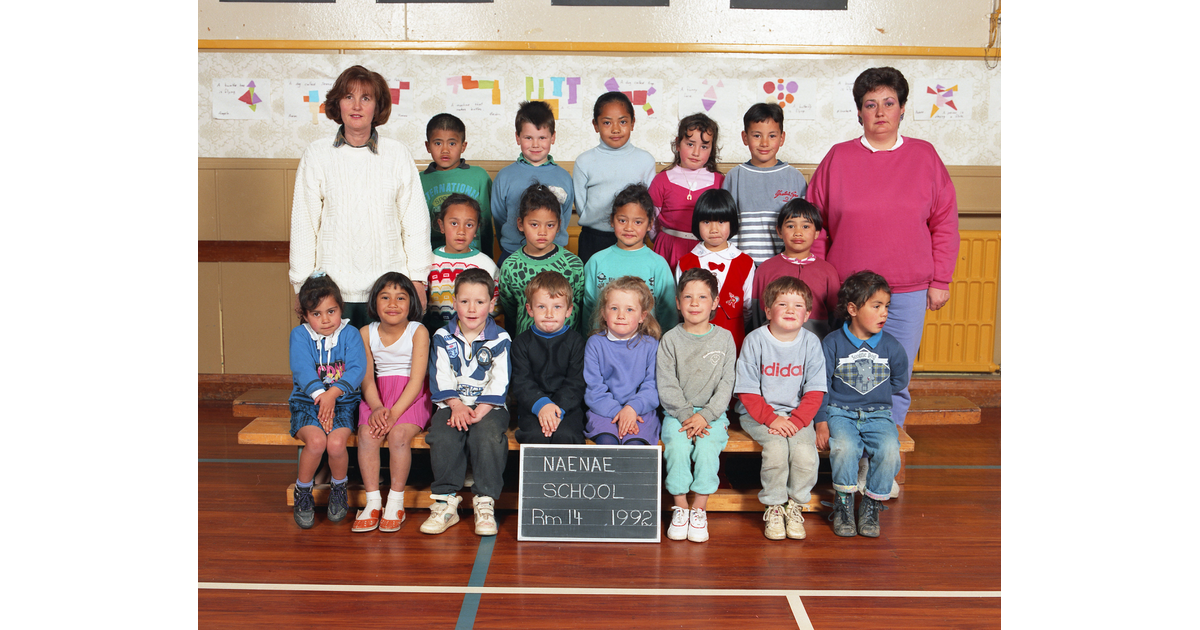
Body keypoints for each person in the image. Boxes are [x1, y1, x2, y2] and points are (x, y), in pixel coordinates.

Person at [808, 66, 959, 427]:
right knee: (844, 375)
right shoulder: (838, 158)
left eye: (888, 103)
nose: (879, 112)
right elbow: (817, 227)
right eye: (870, 104)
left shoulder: (925, 157)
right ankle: (845, 452)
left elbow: (944, 222)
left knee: (895, 377)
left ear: (902, 108)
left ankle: (882, 460)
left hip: (907, 290)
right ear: (859, 111)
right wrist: (821, 280)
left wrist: (941, 280)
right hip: (848, 291)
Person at [290, 65, 432, 328]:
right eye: (348, 97)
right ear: (338, 104)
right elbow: (304, 225)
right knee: (334, 369)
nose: (356, 106)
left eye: (365, 98)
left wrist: (418, 280)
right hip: (330, 293)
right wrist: (301, 284)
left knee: (388, 369)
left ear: (377, 107)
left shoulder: (397, 154)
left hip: (389, 293)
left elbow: (415, 222)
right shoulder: (317, 154)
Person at [814, 271, 908, 538]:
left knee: (890, 449)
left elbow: (900, 378)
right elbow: (820, 385)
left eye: (886, 307)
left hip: (878, 414)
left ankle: (871, 505)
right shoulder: (832, 343)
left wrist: (875, 396)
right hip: (839, 412)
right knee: (844, 447)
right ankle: (844, 504)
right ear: (853, 309)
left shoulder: (890, 345)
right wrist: (821, 420)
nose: (884, 313)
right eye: (876, 306)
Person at [733, 276, 826, 541]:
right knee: (775, 450)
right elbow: (747, 390)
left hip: (798, 416)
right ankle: (774, 506)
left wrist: (797, 422)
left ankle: (795, 505)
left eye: (797, 306)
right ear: (767, 310)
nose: (789, 310)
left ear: (807, 314)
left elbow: (815, 390)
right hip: (759, 414)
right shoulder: (755, 340)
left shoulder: (811, 343)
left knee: (806, 454)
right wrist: (771, 419)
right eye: (782, 303)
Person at [422, 269, 512, 536]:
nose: (472, 309)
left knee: (487, 436)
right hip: (453, 405)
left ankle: (485, 502)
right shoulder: (442, 336)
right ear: (454, 301)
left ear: (492, 304)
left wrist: (480, 410)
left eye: (480, 302)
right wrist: (457, 405)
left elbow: (501, 380)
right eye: (464, 301)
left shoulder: (500, 338)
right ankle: (445, 502)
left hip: (489, 407)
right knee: (443, 435)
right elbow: (440, 376)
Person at [656, 268, 736, 543]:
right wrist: (688, 415)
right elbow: (667, 385)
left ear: (714, 302)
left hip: (713, 416)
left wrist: (707, 415)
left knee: (706, 449)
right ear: (677, 302)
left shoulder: (725, 338)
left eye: (702, 297)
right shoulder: (670, 340)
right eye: (687, 297)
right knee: (676, 449)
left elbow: (727, 383)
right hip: (677, 414)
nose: (694, 303)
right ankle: (680, 506)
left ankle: (699, 509)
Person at [352, 272, 432, 533]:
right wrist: (376, 407)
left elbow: (418, 380)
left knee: (398, 435)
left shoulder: (418, 331)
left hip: (410, 397)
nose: (393, 304)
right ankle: (373, 501)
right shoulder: (365, 332)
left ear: (412, 303)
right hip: (378, 397)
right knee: (366, 435)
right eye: (385, 297)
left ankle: (396, 502)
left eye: (401, 297)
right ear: (375, 302)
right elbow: (366, 379)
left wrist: (394, 413)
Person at [287, 273, 366, 529]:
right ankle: (303, 492)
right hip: (307, 402)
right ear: (305, 315)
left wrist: (333, 394)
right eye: (316, 314)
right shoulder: (300, 335)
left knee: (335, 444)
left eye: (331, 311)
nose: (325, 319)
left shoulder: (351, 333)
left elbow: (357, 369)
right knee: (318, 441)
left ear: (340, 308)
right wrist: (322, 396)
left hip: (343, 403)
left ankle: (339, 488)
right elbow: (301, 369)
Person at [573, 92, 657, 263]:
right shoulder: (584, 161)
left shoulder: (645, 160)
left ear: (633, 123)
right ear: (595, 125)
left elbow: (649, 204)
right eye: (606, 122)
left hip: (633, 238)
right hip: (594, 238)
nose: (616, 129)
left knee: (633, 286)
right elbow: (582, 207)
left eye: (623, 121)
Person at [581, 184, 678, 333]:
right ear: (612, 221)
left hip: (646, 348)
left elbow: (668, 314)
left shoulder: (658, 264)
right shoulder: (596, 261)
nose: (629, 228)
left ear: (650, 224)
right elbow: (588, 307)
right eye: (622, 220)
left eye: (637, 222)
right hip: (602, 347)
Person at [721, 103, 808, 266]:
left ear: (782, 138)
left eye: (772, 136)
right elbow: (725, 226)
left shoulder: (794, 178)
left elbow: (805, 226)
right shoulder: (734, 176)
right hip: (742, 267)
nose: (764, 143)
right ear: (744, 137)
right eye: (757, 135)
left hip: (784, 266)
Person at [491, 101, 574, 264]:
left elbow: (563, 216)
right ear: (517, 137)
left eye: (542, 137)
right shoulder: (505, 176)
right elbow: (500, 218)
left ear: (553, 137)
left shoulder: (564, 177)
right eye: (528, 138)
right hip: (512, 254)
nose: (535, 144)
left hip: (554, 256)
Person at [583, 276, 662, 446]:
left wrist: (632, 409)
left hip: (641, 411)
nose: (620, 316)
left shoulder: (650, 345)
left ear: (643, 316)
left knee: (635, 446)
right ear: (604, 313)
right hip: (604, 411)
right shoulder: (595, 343)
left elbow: (652, 386)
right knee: (607, 443)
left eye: (629, 310)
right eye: (614, 308)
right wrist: (618, 412)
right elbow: (594, 388)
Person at [499, 184, 586, 337]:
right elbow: (511, 309)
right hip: (527, 349)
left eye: (550, 225)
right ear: (520, 224)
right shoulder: (510, 266)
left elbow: (579, 305)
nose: (542, 232)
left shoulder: (573, 264)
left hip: (567, 348)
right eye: (534, 224)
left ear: (559, 225)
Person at [511, 271, 588, 444]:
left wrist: (557, 410)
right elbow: (521, 382)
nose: (549, 314)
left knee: (566, 435)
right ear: (530, 309)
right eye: (541, 307)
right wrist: (542, 406)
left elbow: (576, 382)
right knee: (536, 436)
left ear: (569, 310)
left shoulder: (576, 342)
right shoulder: (521, 343)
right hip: (533, 406)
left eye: (557, 307)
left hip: (568, 407)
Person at [675, 189, 755, 350]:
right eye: (706, 222)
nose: (714, 229)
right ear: (696, 223)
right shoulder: (685, 262)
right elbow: (679, 305)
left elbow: (748, 307)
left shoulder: (745, 262)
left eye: (721, 222)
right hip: (694, 341)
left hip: (734, 340)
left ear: (732, 223)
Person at [749, 198, 840, 339]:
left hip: (817, 344)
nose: (798, 232)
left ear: (816, 233)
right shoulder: (765, 269)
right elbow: (757, 313)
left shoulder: (828, 271)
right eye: (790, 226)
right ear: (779, 231)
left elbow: (835, 316)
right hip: (772, 345)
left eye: (805, 226)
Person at [650, 113, 725, 270]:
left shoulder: (719, 181)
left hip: (705, 249)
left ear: (711, 150)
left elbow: (725, 220)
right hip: (669, 248)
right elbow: (651, 220)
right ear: (678, 144)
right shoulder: (662, 180)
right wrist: (664, 241)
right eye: (690, 144)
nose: (696, 152)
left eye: (704, 146)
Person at [420, 113, 494, 257]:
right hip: (433, 260)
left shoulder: (479, 177)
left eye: (452, 143)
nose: (445, 150)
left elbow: (486, 227)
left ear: (463, 146)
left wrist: (488, 260)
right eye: (438, 143)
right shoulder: (419, 180)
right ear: (428, 146)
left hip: (472, 257)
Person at [424, 193, 500, 332]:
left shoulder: (486, 265)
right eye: (454, 223)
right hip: (435, 332)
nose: (461, 231)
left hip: (476, 333)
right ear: (441, 225)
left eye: (469, 225)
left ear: (477, 229)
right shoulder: (429, 261)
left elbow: (496, 305)